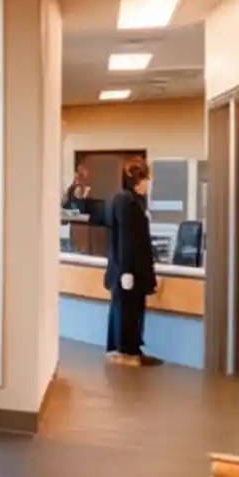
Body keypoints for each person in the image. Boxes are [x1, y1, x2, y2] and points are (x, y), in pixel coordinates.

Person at [103, 157, 157, 367]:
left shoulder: (135, 202)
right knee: (126, 311)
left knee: (132, 310)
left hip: (134, 270)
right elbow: (125, 237)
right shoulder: (125, 201)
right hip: (127, 270)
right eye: (147, 179)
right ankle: (124, 351)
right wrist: (126, 270)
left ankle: (132, 348)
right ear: (139, 179)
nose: (149, 184)